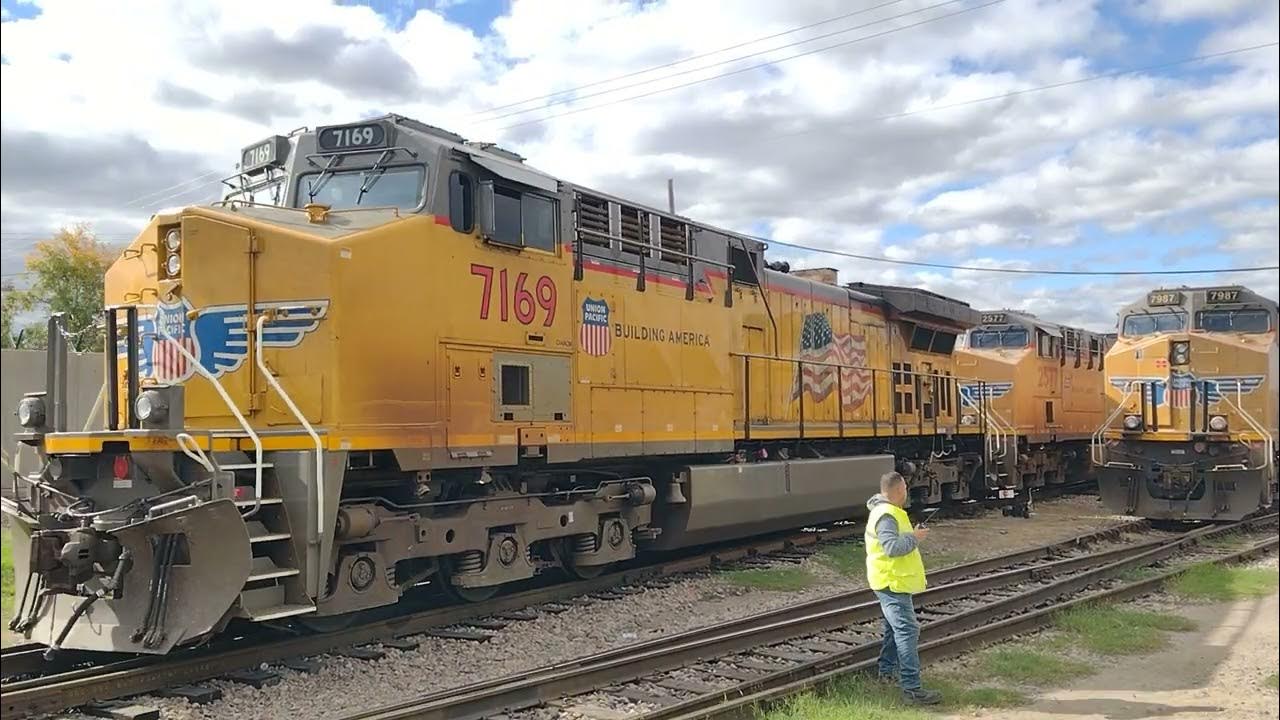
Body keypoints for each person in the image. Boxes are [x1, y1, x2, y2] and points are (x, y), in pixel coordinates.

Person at [864, 471, 941, 705]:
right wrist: (915, 537)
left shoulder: (886, 511)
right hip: (892, 582)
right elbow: (891, 548)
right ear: (898, 490)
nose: (907, 492)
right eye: (905, 488)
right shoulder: (887, 515)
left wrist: (911, 535)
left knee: (892, 630)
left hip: (891, 580)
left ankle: (886, 672)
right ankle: (912, 689)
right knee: (907, 632)